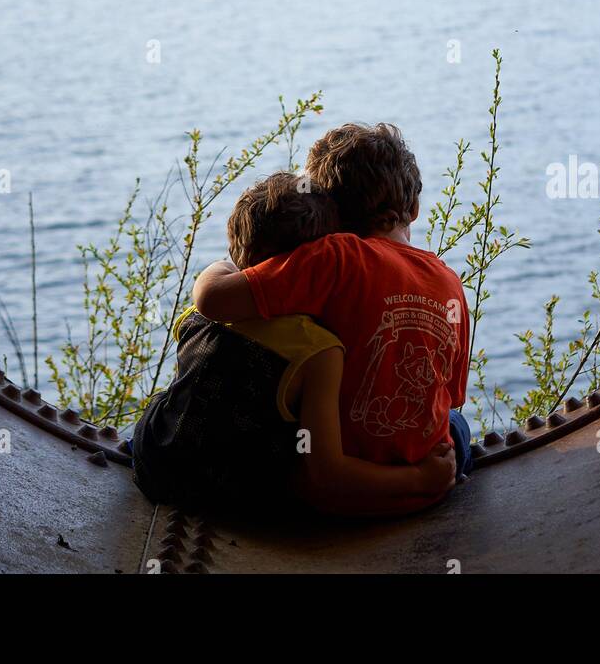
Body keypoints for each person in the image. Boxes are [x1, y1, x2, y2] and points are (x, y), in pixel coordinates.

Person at [131, 170, 457, 516]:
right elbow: (327, 471)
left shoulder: (199, 315)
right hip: (233, 494)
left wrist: (227, 266)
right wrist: (422, 477)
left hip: (154, 457)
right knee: (456, 429)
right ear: (311, 260)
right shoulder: (319, 351)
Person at [193, 124, 475, 484]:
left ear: (331, 212)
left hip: (339, 484)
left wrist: (226, 266)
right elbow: (449, 396)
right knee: (456, 423)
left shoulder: (333, 257)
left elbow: (211, 299)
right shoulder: (450, 282)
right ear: (415, 208)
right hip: (430, 477)